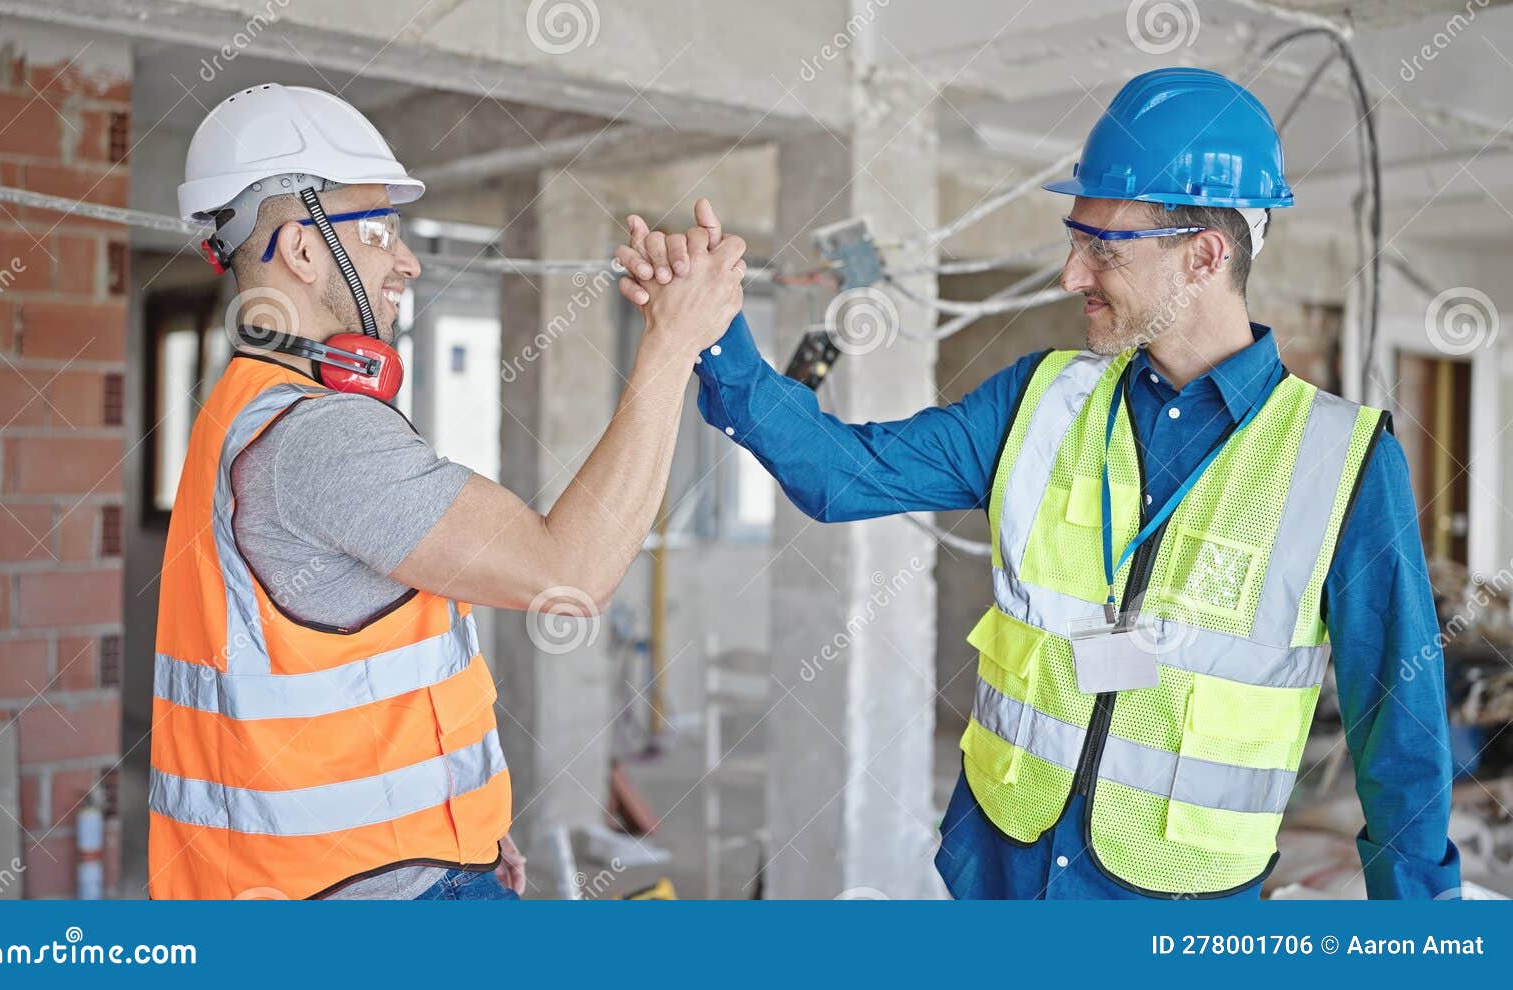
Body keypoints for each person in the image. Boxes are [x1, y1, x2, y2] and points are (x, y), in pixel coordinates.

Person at [616, 67, 1460, 899]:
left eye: (1103, 245)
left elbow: (1402, 732)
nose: (1071, 275)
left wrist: (1421, 940)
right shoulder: (1041, 399)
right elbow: (843, 475)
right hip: (1003, 869)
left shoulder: (1340, 460)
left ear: (1204, 255)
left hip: (1174, 907)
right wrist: (716, 336)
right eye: (1075, 238)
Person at [150, 83, 745, 900]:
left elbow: (368, 666)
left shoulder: (248, 406)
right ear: (302, 250)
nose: (409, 261)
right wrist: (673, 343)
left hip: (353, 879)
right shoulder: (322, 438)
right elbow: (569, 572)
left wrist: (463, 831)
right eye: (383, 231)